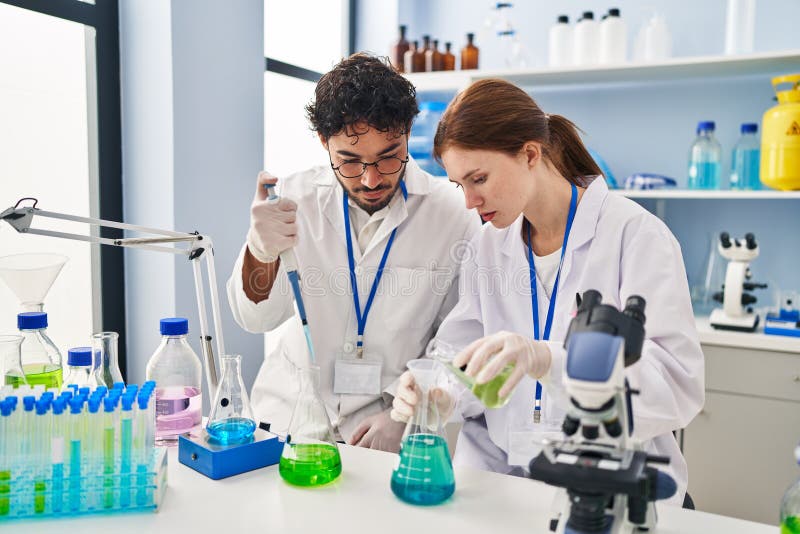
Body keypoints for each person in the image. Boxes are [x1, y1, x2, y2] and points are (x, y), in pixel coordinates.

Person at [391, 78, 704, 505]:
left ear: (530, 154)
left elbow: (675, 388)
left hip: (611, 491)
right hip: (504, 489)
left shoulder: (635, 236)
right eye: (459, 185)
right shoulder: (488, 244)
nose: (469, 201)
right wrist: (436, 389)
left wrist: (550, 361)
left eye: (478, 178)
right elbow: (460, 352)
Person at [227, 53, 479, 452]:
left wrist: (403, 413)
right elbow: (256, 318)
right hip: (293, 414)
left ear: (408, 132)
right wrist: (261, 251)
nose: (371, 178)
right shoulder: (293, 199)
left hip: (385, 424)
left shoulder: (453, 213)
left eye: (388, 156)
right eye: (349, 161)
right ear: (324, 143)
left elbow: (456, 338)